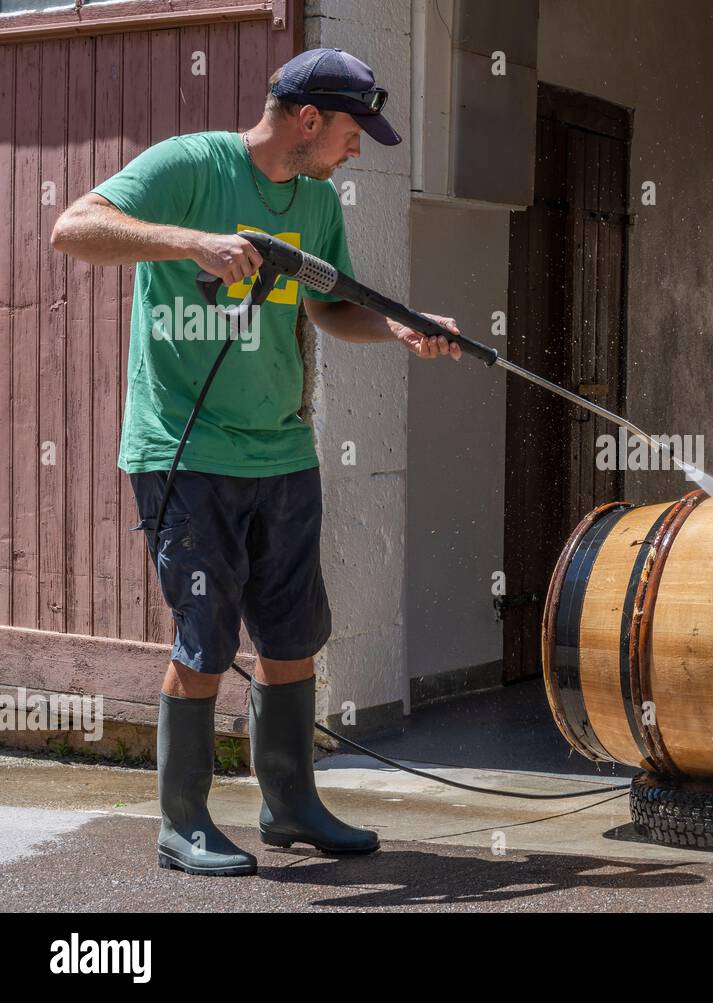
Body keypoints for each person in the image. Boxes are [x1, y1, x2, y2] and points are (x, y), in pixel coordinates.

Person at [50, 48, 460, 877]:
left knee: (292, 634)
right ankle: (183, 820)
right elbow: (73, 228)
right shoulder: (190, 165)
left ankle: (290, 804)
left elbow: (332, 307)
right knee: (204, 639)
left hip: (282, 449)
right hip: (186, 451)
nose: (357, 148)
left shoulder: (314, 202)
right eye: (352, 132)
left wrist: (399, 326)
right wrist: (188, 241)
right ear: (308, 121)